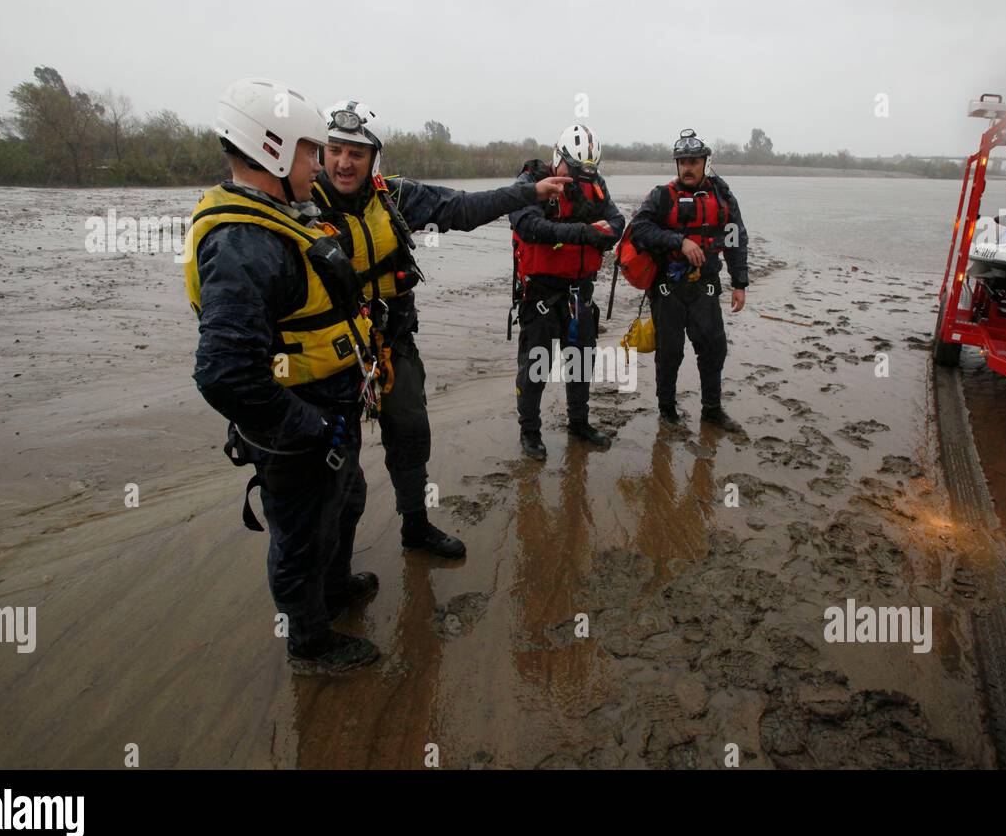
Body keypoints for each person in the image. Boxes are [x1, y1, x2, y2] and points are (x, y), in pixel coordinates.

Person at [184, 78, 385, 676]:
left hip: (329, 405)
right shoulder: (245, 242)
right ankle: (310, 642)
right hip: (298, 421)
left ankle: (337, 585)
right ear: (272, 150)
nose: (321, 162)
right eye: (309, 150)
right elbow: (222, 372)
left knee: (345, 502)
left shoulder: (283, 216)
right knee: (301, 533)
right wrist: (309, 425)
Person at [311, 100, 569, 557]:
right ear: (321, 152)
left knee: (411, 436)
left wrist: (531, 193)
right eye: (334, 150)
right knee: (334, 466)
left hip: (391, 345)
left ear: (373, 158)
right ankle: (333, 579)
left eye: (355, 152)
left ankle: (416, 527)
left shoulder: (396, 197)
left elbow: (466, 208)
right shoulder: (300, 205)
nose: (343, 162)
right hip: (328, 359)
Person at [508, 124, 625, 460]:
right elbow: (527, 225)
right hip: (540, 292)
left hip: (579, 290)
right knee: (535, 367)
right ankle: (530, 432)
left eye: (586, 172)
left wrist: (601, 232)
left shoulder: (595, 184)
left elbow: (617, 222)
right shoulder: (529, 182)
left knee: (581, 363)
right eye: (573, 170)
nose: (579, 179)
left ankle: (579, 424)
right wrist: (585, 232)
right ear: (557, 157)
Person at [628, 129, 749, 432]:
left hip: (705, 286)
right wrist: (678, 241)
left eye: (694, 161)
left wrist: (739, 283)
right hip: (667, 287)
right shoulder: (661, 196)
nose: (687, 167)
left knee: (713, 349)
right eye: (682, 161)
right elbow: (638, 230)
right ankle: (667, 411)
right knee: (670, 352)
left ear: (706, 163)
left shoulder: (723, 198)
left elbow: (736, 239)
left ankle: (712, 411)